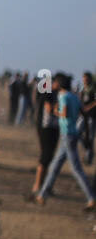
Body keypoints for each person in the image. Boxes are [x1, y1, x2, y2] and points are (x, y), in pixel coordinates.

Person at [34, 72, 96, 211]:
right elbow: (84, 114)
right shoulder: (75, 96)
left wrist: (55, 111)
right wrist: (85, 134)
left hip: (67, 134)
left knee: (76, 169)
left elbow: (65, 113)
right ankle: (43, 195)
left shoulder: (63, 97)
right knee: (55, 166)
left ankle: (92, 197)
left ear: (60, 84)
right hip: (72, 133)